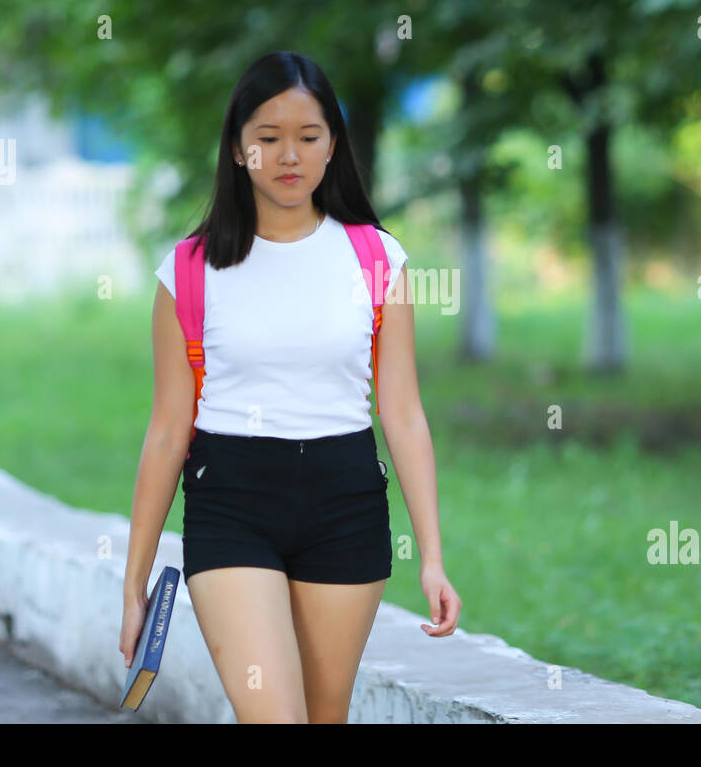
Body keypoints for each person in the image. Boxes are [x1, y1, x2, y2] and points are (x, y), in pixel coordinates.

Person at [119, 51, 460, 723]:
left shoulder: (377, 259)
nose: (288, 156)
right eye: (268, 138)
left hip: (345, 503)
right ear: (238, 146)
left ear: (334, 144)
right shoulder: (187, 270)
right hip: (232, 504)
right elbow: (166, 432)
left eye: (308, 137)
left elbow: (404, 413)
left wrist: (432, 559)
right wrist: (133, 584)